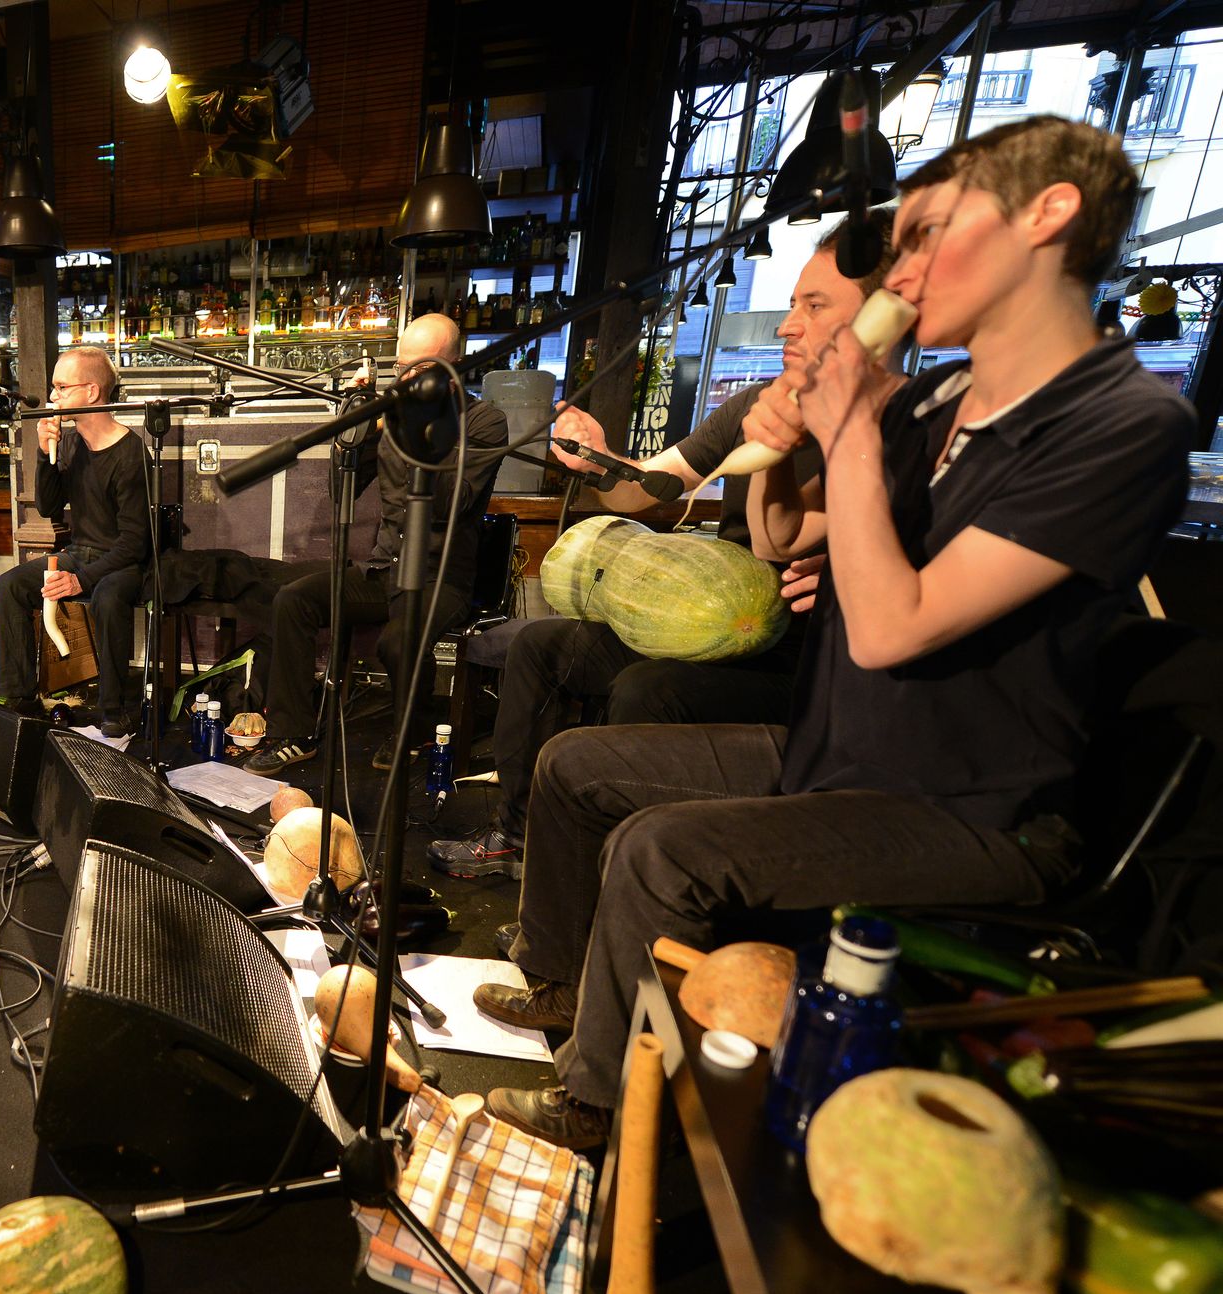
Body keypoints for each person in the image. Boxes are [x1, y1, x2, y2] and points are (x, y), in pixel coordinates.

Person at [478, 116, 1197, 1150]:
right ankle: (557, 985)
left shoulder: (1119, 424)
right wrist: (783, 443)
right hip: (837, 752)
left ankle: (596, 1107)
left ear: (1048, 215)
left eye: (925, 235)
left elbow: (897, 625)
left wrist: (850, 423)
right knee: (574, 764)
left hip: (969, 806)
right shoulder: (939, 398)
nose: (901, 273)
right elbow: (782, 540)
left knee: (656, 850)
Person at [427, 213, 897, 881]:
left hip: (798, 660)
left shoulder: (900, 422)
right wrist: (600, 463)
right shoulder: (754, 406)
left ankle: (615, 873)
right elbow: (646, 491)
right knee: (540, 648)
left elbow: (792, 538)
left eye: (814, 306)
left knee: (647, 689)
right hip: (702, 627)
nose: (787, 326)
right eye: (792, 303)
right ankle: (523, 839)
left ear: (882, 318)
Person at [242, 312, 512, 776]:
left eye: (421, 368)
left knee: (398, 640)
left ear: (455, 366)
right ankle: (294, 734)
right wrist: (354, 423)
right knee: (294, 599)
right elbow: (341, 487)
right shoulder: (392, 416)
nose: (407, 379)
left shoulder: (485, 422)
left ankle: (411, 732)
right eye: (402, 367)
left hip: (441, 577)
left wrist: (417, 431)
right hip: (384, 568)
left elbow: (454, 503)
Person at [0, 346, 148, 732]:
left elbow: (135, 543)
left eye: (62, 387)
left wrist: (81, 580)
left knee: (108, 596)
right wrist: (44, 452)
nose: (53, 396)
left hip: (123, 560)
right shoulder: (71, 443)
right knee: (10, 586)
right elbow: (48, 506)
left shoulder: (131, 453)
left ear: (92, 392)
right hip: (80, 552)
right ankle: (22, 699)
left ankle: (113, 709)